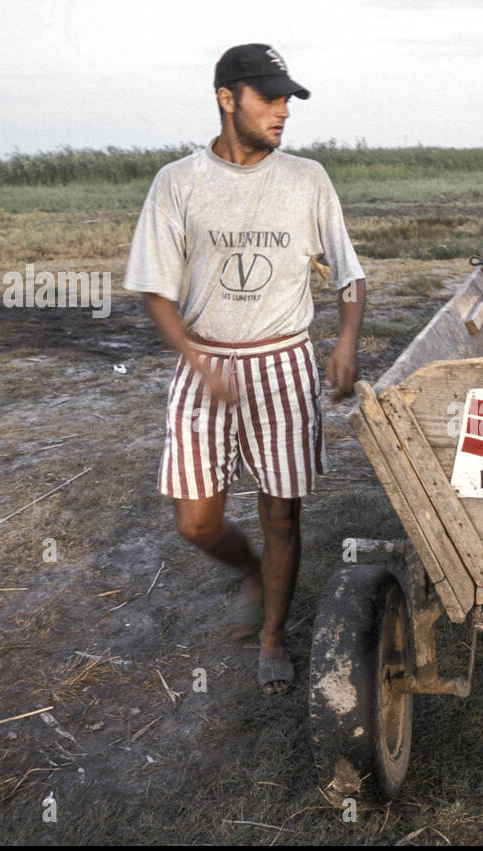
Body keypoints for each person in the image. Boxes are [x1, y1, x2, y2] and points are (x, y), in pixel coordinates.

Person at [123, 43, 366, 696]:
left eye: (288, 98)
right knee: (196, 521)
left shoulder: (308, 179)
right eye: (270, 97)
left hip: (283, 364)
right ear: (227, 98)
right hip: (205, 368)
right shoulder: (178, 182)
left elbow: (350, 275)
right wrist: (194, 354)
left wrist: (345, 340)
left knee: (281, 514)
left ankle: (272, 635)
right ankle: (252, 573)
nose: (284, 110)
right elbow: (154, 286)